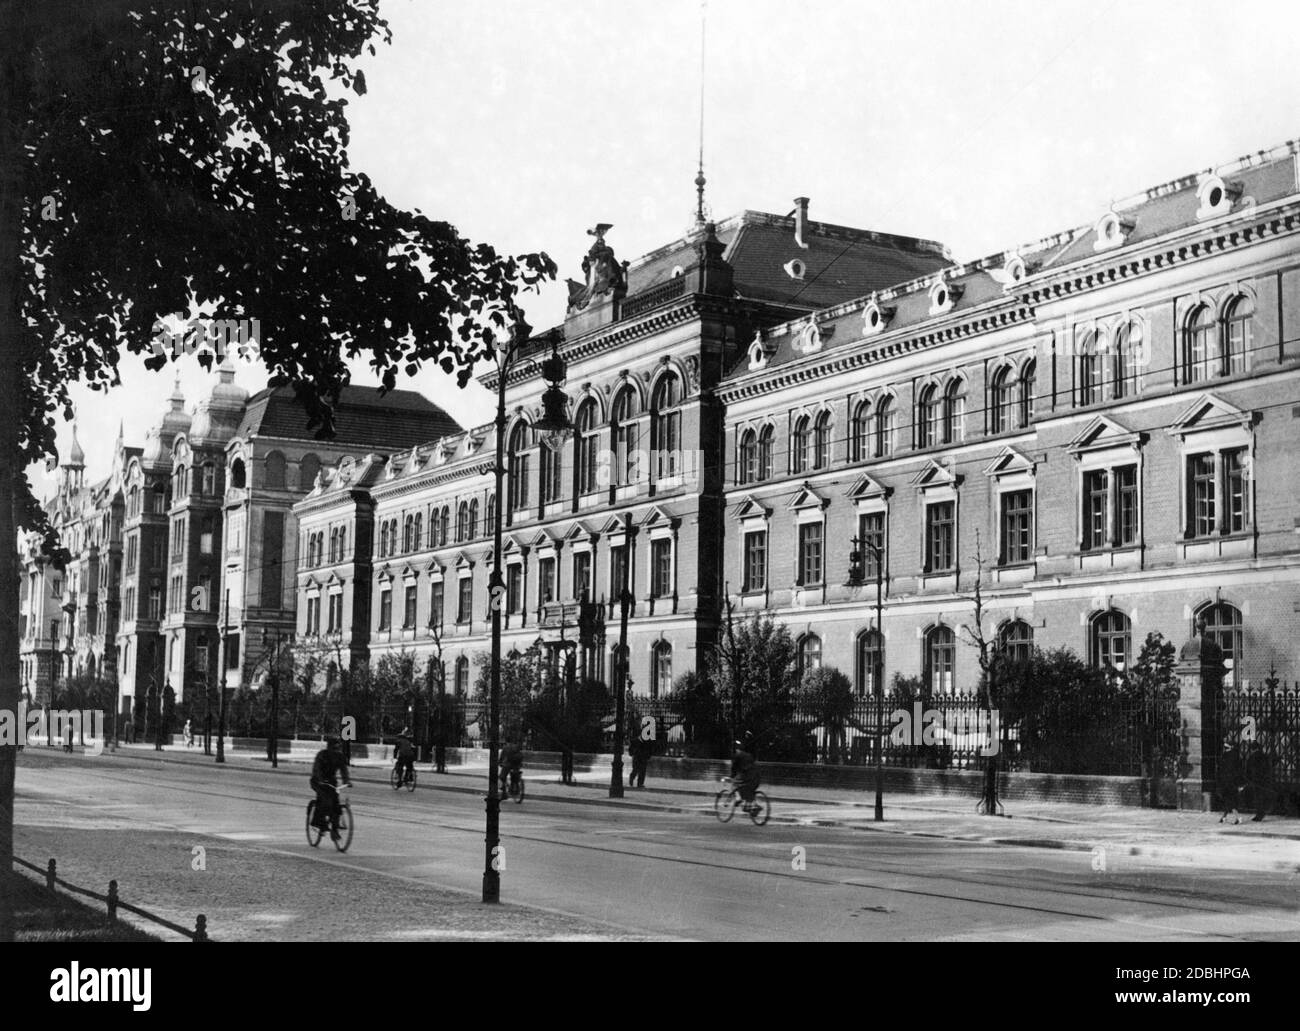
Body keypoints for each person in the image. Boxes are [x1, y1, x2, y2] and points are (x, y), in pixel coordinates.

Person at [311, 737, 352, 840]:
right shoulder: (322, 755)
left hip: (331, 781)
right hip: (318, 781)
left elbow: (343, 770)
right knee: (325, 800)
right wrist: (321, 780)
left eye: (337, 748)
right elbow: (317, 769)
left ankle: (334, 831)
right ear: (329, 747)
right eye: (334, 748)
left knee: (336, 805)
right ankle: (319, 823)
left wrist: (346, 781)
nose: (336, 750)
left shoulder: (340, 757)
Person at [1244, 743, 1274, 822]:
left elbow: (1248, 769)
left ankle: (1259, 814)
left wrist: (1248, 779)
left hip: (1256, 780)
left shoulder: (1252, 757)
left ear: (1252, 749)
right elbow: (1268, 767)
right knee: (1263, 796)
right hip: (1264, 779)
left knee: (1258, 797)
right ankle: (1262, 812)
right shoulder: (1264, 756)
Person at [730, 736, 759, 813]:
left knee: (734, 784)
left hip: (747, 775)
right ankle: (752, 806)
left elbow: (734, 768)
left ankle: (738, 798)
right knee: (749, 789)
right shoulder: (749, 755)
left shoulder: (737, 755)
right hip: (756, 776)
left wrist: (732, 776)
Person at [1218, 739, 1243, 825]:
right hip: (1233, 782)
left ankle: (1238, 817)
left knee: (1229, 800)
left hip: (1226, 782)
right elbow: (1239, 771)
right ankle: (1223, 817)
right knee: (1229, 800)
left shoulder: (1225, 756)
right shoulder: (1236, 756)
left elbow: (1221, 769)